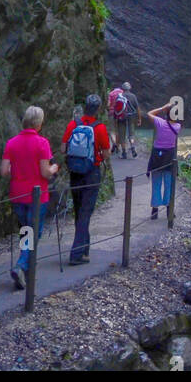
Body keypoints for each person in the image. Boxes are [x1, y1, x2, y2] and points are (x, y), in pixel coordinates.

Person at [0, 106, 58, 291]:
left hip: (17, 193)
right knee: (35, 232)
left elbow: (4, 171)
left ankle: (26, 267)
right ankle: (21, 266)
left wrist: (16, 171)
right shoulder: (42, 143)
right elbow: (45, 172)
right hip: (37, 195)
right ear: (39, 124)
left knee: (26, 229)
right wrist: (54, 168)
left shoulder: (12, 143)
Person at [62, 93, 110, 265]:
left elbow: (63, 148)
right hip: (91, 173)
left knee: (80, 211)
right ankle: (76, 254)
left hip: (75, 173)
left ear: (84, 106)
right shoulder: (100, 128)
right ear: (98, 109)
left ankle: (85, 250)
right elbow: (106, 154)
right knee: (85, 213)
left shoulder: (73, 124)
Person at [146, 101, 181, 220]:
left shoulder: (160, 123)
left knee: (156, 183)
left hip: (157, 157)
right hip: (169, 157)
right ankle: (168, 210)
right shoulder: (177, 127)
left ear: (166, 114)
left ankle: (154, 211)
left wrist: (163, 107)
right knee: (168, 184)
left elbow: (149, 113)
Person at [113, 81, 141, 159]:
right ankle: (132, 147)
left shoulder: (120, 96)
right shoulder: (133, 96)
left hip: (121, 117)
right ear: (130, 88)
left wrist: (115, 119)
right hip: (131, 117)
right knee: (131, 134)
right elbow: (138, 108)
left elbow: (116, 108)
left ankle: (124, 152)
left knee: (122, 135)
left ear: (123, 88)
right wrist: (139, 119)